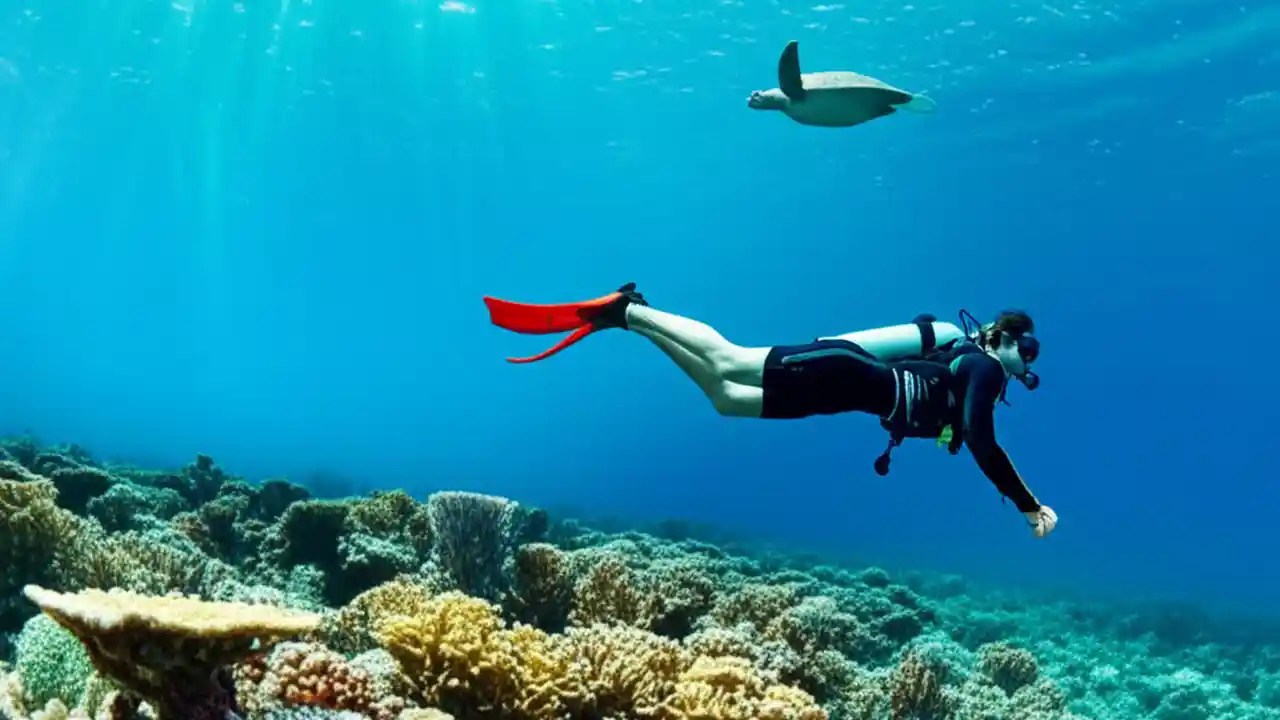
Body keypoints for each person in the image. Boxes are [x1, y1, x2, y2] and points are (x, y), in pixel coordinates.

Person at [483, 283, 1058, 539]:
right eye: (1025, 348)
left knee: (726, 398)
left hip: (843, 390)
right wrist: (1030, 507)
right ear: (1003, 338)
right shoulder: (980, 367)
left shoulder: (968, 367)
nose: (1025, 361)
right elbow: (984, 441)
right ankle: (630, 309)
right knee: (730, 357)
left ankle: (628, 320)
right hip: (846, 371)